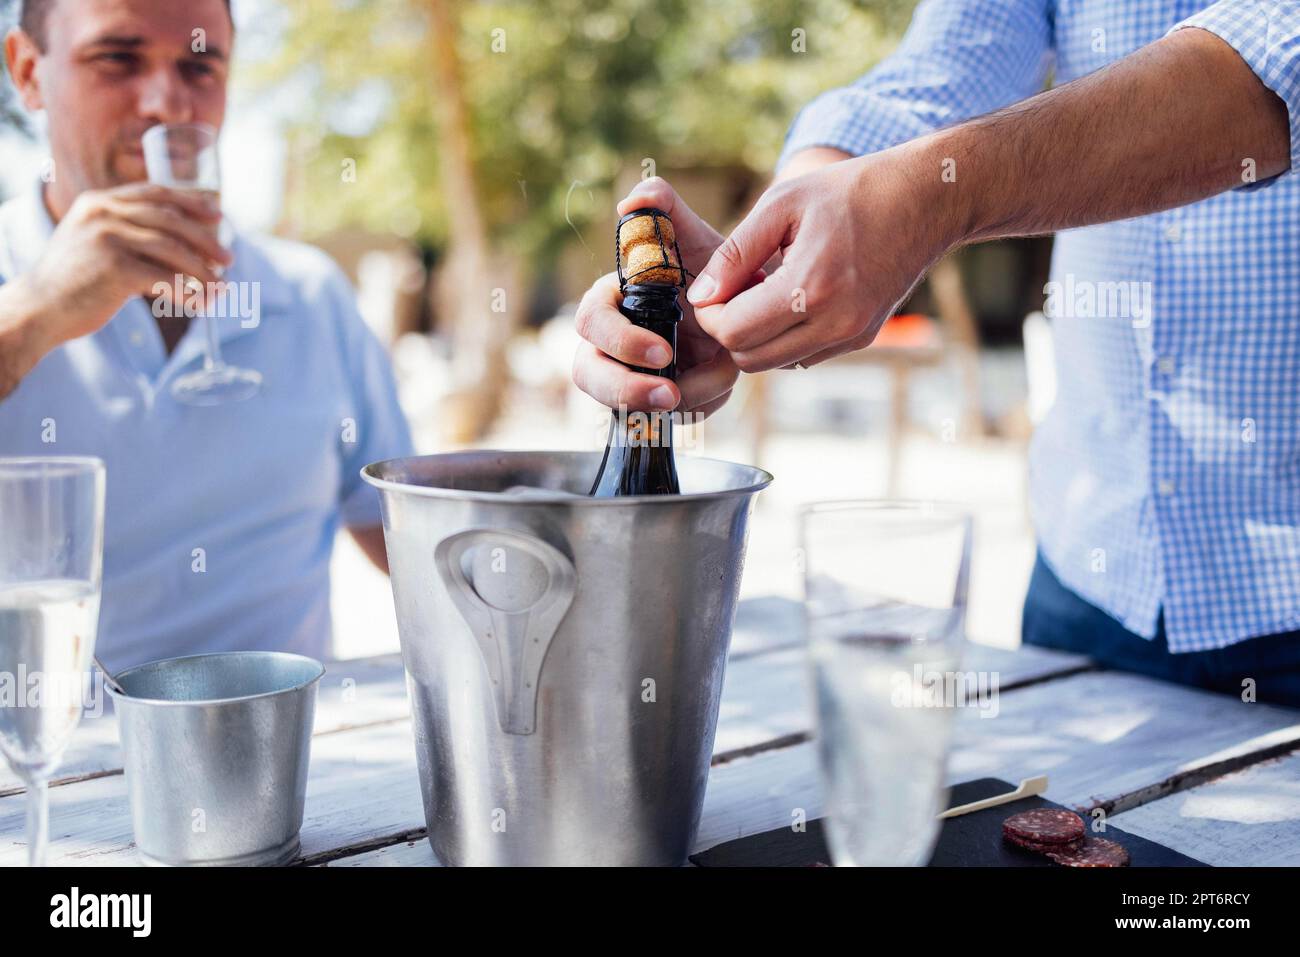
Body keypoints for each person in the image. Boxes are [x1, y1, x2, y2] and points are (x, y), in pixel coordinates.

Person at [572, 1, 1300, 706]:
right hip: (1093, 581)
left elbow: (1269, 68)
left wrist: (931, 198)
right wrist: (762, 260)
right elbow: (946, 66)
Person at [0, 0, 413, 670]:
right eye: (118, 58)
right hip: (39, 772)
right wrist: (35, 311)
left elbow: (412, 550)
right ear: (26, 72)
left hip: (282, 764)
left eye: (199, 66)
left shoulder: (309, 295)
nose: (168, 105)